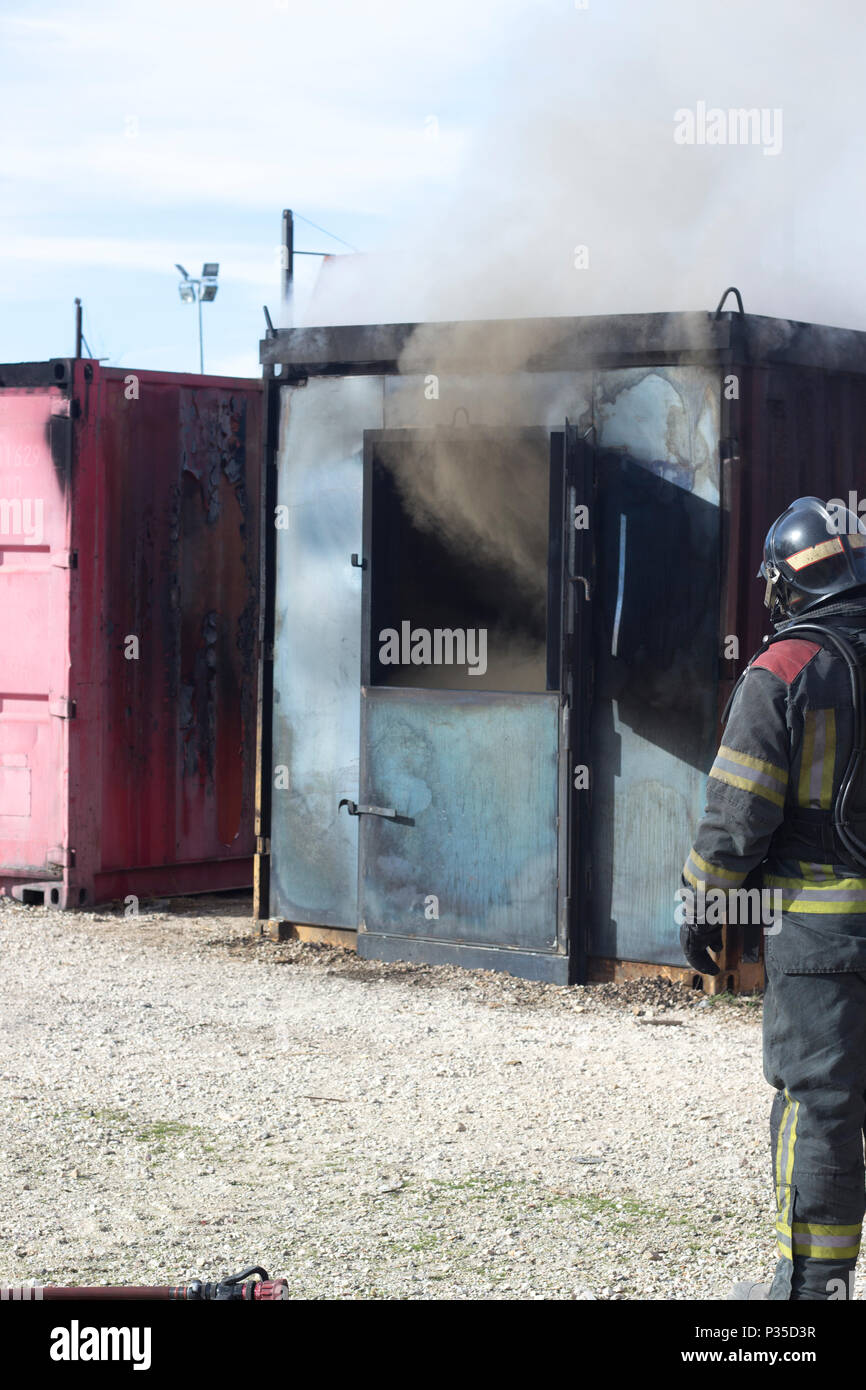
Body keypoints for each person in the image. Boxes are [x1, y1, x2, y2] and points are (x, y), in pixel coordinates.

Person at [680, 495, 866, 1301]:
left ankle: (809, 1292)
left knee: (820, 1104)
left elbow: (737, 813)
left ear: (786, 586)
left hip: (820, 939)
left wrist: (704, 905)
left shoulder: (784, 669)